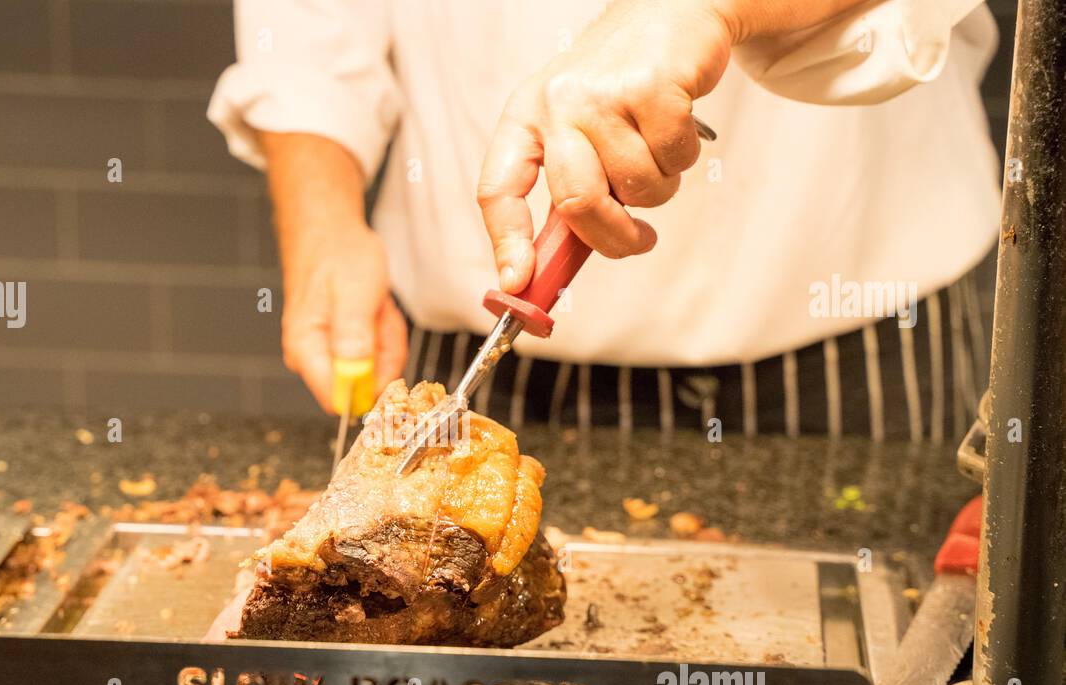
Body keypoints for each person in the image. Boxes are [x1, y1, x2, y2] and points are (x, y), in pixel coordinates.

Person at [209, 0, 1001, 440]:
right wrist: (323, 221)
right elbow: (310, 27)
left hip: (850, 329)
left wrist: (705, 10)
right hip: (482, 354)